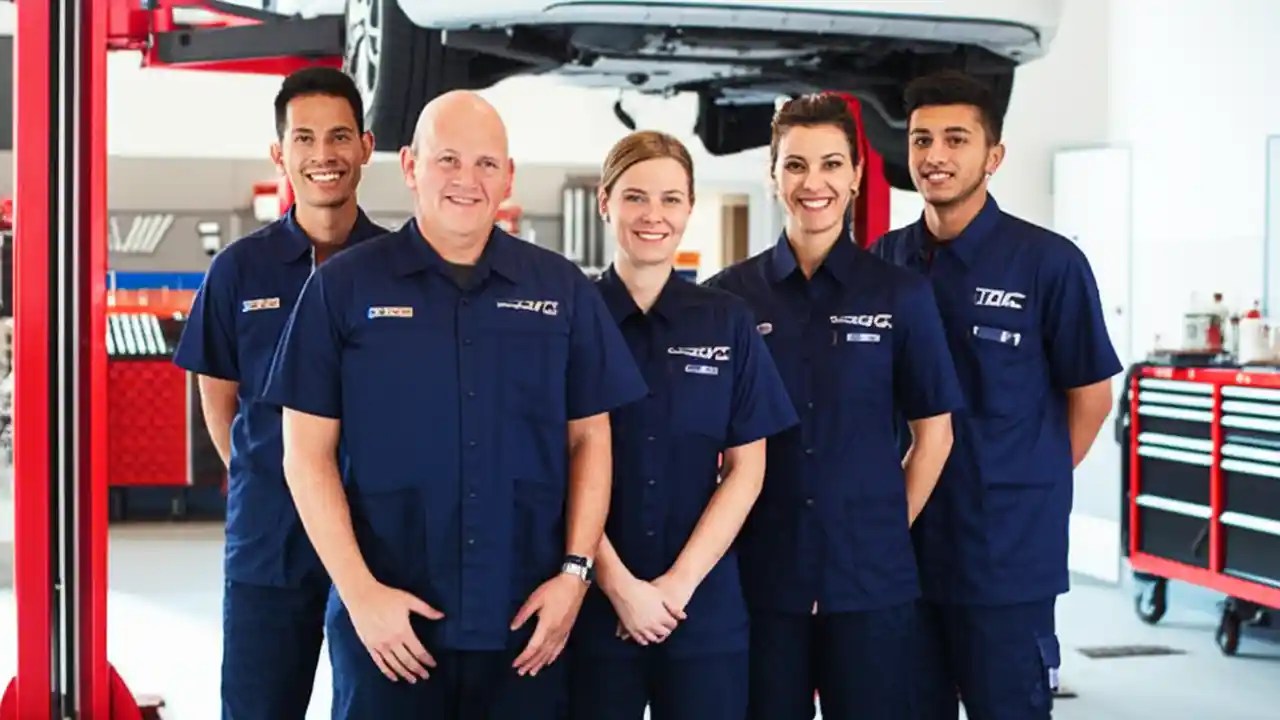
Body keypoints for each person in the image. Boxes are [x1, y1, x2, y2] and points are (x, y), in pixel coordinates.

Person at [260, 90, 648, 719]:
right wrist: (360, 596)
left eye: (486, 164)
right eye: (448, 160)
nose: (467, 180)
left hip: (527, 627)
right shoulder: (341, 288)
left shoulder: (562, 291)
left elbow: (591, 441)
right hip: (390, 631)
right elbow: (305, 456)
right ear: (411, 165)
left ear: (509, 176)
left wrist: (575, 577)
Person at [870, 70, 1121, 719]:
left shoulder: (1048, 262)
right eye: (922, 139)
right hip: (900, 549)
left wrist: (1026, 476)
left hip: (1005, 558)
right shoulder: (884, 260)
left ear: (994, 156)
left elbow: (1092, 396)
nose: (935, 155)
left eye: (957, 138)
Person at [705, 93, 964, 720]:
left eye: (829, 165)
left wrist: (878, 529)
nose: (812, 182)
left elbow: (935, 436)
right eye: (795, 166)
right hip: (763, 580)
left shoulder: (902, 296)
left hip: (871, 584)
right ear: (773, 177)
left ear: (854, 176)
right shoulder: (727, 300)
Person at [172, 67, 386, 720]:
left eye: (340, 136)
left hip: (381, 541)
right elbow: (219, 403)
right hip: (270, 541)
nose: (324, 155)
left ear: (367, 147)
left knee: (377, 707)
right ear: (280, 153)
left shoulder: (398, 267)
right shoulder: (239, 269)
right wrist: (273, 479)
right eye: (305, 138)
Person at [567, 131, 798, 720]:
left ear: (690, 208)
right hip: (588, 606)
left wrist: (674, 588)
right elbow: (557, 464)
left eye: (671, 199)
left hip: (702, 608)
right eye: (636, 197)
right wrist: (619, 587)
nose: (654, 215)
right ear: (605, 201)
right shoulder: (570, 317)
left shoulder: (727, 322)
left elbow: (748, 469)